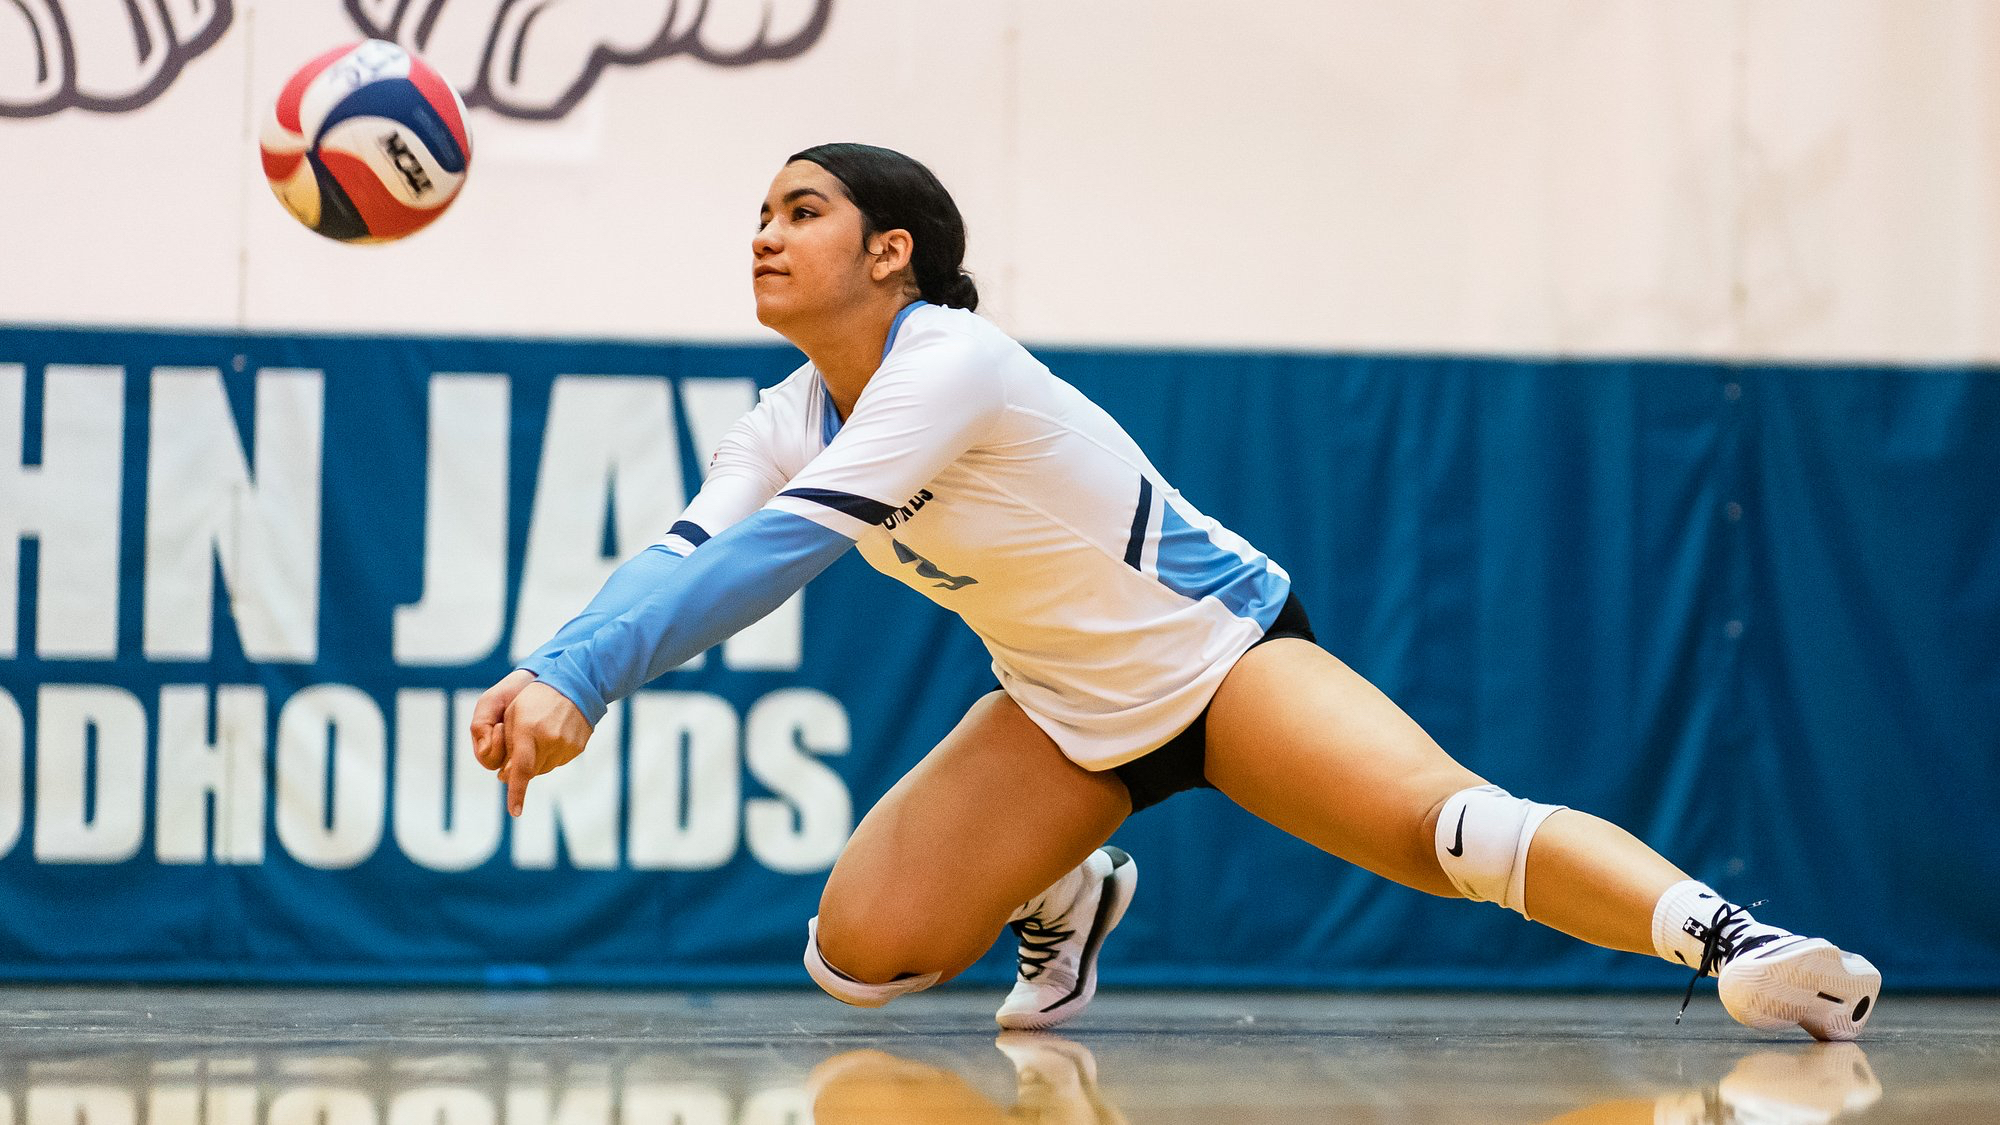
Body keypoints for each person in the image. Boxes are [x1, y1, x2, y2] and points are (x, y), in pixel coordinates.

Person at [468, 143, 1880, 1041]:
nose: (764, 235)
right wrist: (554, 672)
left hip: (1222, 662)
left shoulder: (950, 357)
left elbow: (769, 558)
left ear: (889, 251)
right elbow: (683, 553)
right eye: (758, 215)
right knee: (858, 957)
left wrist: (586, 681)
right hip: (1061, 710)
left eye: (801, 210)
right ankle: (1069, 889)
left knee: (1457, 828)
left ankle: (1736, 941)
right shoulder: (781, 414)